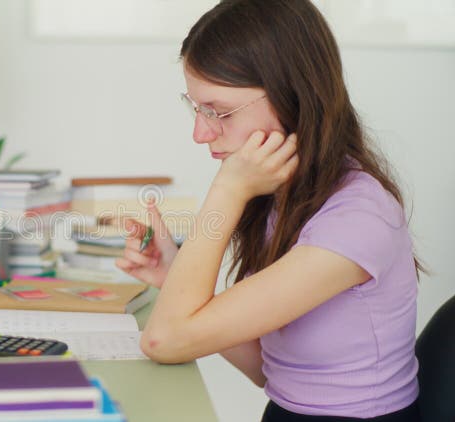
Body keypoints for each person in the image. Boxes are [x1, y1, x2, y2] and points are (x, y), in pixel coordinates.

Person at [115, 0, 424, 420]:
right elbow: (271, 371)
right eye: (196, 107)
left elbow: (164, 341)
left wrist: (226, 191)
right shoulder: (287, 197)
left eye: (219, 111)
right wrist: (174, 275)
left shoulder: (358, 218)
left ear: (292, 93)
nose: (199, 132)